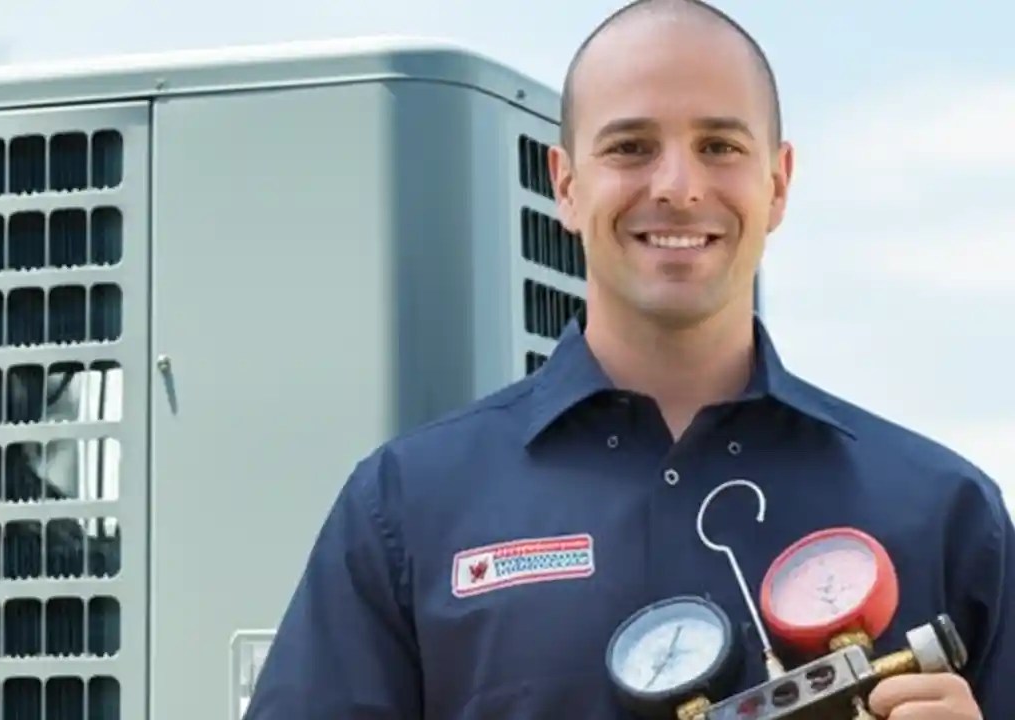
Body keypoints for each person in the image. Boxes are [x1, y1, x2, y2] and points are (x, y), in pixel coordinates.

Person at [243, 0, 1013, 717]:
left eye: (719, 145)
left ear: (777, 184)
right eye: (632, 147)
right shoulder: (408, 510)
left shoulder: (944, 514)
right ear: (567, 186)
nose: (678, 187)